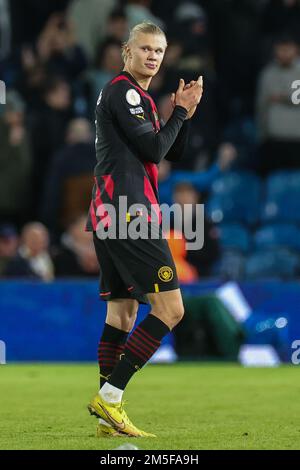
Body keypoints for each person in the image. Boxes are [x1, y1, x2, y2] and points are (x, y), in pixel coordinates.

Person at [86, 21, 203, 438]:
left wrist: (182, 114)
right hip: (130, 212)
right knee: (171, 310)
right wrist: (182, 112)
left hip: (108, 213)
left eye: (159, 50)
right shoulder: (125, 92)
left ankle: (106, 416)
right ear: (126, 52)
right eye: (145, 49)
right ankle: (111, 399)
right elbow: (155, 149)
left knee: (122, 312)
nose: (153, 56)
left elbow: (174, 150)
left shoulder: (138, 97)